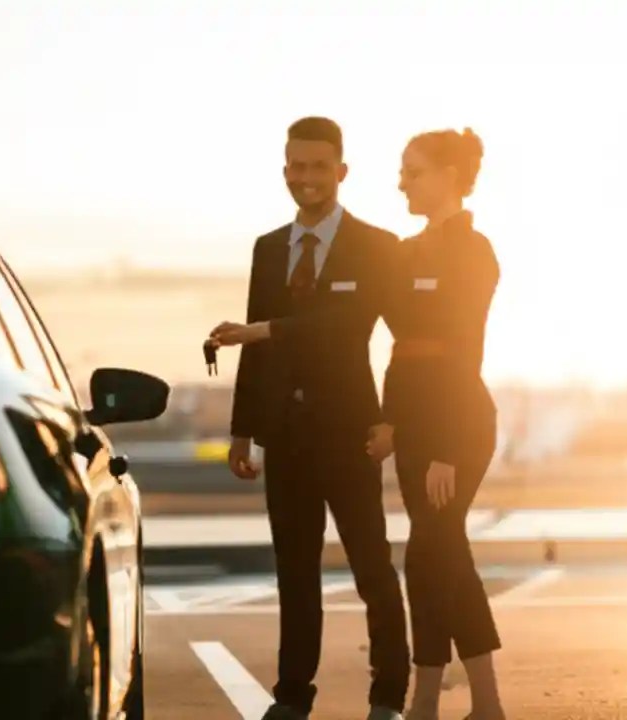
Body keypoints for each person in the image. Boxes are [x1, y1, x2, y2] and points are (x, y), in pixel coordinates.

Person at [212, 127, 506, 720]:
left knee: (412, 559)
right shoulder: (388, 249)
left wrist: (440, 441)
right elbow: (397, 348)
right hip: (378, 425)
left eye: (413, 171)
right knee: (417, 559)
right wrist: (245, 426)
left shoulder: (423, 249)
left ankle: (417, 698)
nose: (401, 181)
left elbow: (442, 344)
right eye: (295, 165)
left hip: (416, 424)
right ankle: (413, 700)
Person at [212, 116, 410, 720]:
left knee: (372, 568)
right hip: (286, 438)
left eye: (319, 166)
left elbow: (349, 327)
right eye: (296, 167)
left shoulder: (378, 247)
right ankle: (293, 698)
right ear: (285, 171)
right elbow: (253, 347)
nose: (307, 178)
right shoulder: (269, 249)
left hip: (349, 432)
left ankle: (387, 698)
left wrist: (392, 418)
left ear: (341, 171)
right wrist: (242, 430)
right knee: (294, 574)